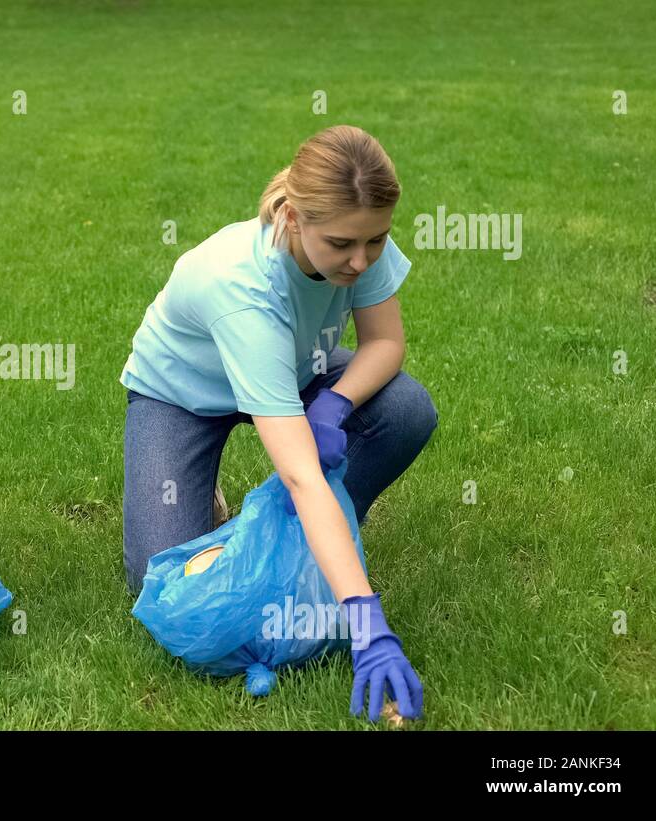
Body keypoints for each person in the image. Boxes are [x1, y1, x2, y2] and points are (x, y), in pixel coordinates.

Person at [119, 125, 436, 722]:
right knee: (164, 583)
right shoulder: (242, 288)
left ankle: (312, 541)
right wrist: (365, 617)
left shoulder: (357, 231)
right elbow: (302, 476)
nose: (361, 260)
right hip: (183, 393)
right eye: (342, 244)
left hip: (295, 368)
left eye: (376, 240)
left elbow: (386, 343)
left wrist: (335, 403)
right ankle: (240, 512)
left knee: (405, 410)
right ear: (292, 218)